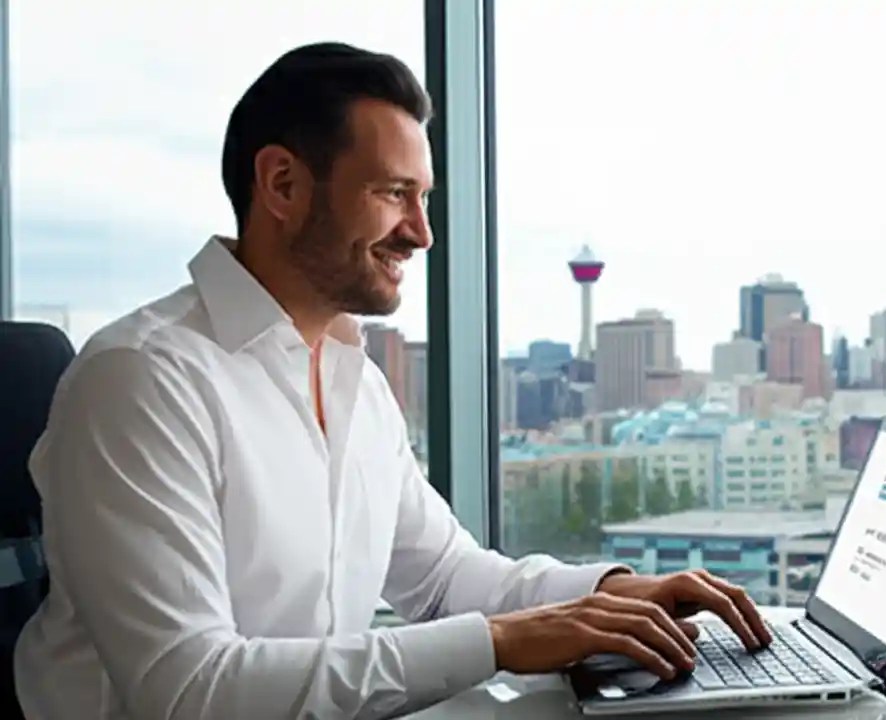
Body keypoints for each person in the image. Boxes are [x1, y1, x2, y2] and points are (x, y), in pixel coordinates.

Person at [13, 42, 770, 719]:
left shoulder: (353, 379)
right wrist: (502, 642)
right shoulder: (143, 379)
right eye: (393, 194)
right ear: (282, 185)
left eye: (425, 198)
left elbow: (443, 577)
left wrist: (606, 595)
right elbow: (191, 690)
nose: (422, 232)